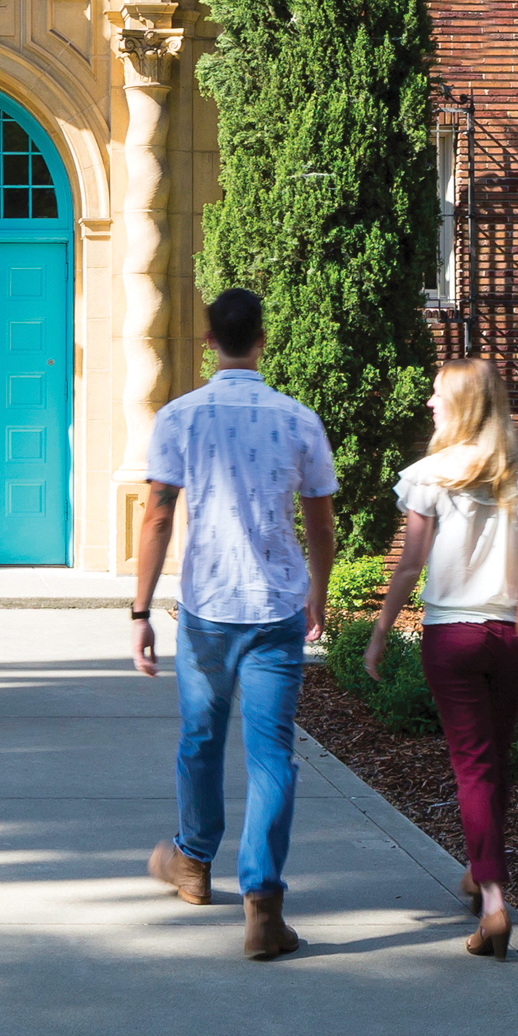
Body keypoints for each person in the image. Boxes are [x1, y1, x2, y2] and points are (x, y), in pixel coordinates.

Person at [133, 285, 338, 961]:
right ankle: (263, 907)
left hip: (206, 611)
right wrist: (319, 592)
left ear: (207, 342)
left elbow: (158, 513)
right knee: (272, 758)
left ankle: (193, 861)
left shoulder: (180, 417)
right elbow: (320, 521)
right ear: (263, 339)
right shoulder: (297, 419)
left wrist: (140, 611)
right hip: (276, 607)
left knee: (200, 738)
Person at [364, 358, 518, 959]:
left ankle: (494, 902)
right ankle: (480, 873)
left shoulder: (430, 477)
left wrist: (379, 630)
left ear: (461, 404)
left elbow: (409, 564)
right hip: (514, 640)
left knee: (473, 766)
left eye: (435, 395)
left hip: (452, 637)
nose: (428, 404)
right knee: (495, 760)